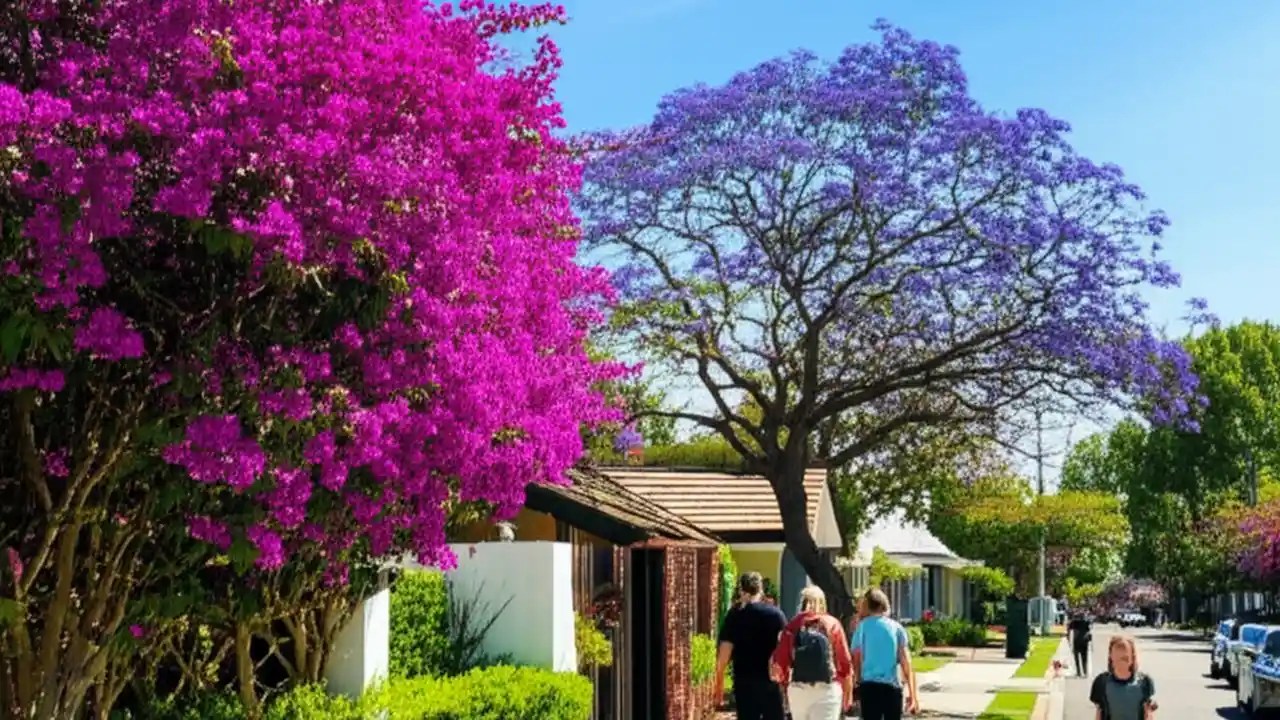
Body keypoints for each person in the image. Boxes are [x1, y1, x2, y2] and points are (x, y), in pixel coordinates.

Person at [770, 586, 854, 719]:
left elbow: (780, 662)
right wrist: (847, 691)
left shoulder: (793, 625)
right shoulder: (832, 623)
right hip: (827, 689)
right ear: (822, 602)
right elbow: (845, 662)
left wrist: (785, 687)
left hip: (799, 690)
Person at [713, 572, 788, 720]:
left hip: (744, 682)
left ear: (741, 590)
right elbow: (784, 648)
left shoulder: (734, 616)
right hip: (770, 681)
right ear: (761, 590)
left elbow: (724, 653)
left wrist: (719, 681)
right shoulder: (776, 615)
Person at [850, 587, 918, 719]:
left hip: (869, 687)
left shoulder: (862, 627)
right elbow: (906, 662)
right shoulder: (897, 628)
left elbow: (857, 658)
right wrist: (913, 695)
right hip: (892, 687)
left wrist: (856, 682)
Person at [1089, 634, 1157, 720]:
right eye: (1118, 659)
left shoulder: (1144, 682)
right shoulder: (1101, 683)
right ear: (1111, 657)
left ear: (1132, 658)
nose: (1121, 664)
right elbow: (1099, 713)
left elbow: (1148, 714)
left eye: (1125, 659)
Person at [1067, 612, 1093, 677]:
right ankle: (1085, 672)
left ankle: (1078, 672)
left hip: (1076, 641)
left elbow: (1069, 629)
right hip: (1084, 641)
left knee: (1076, 658)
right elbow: (1089, 631)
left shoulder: (1074, 622)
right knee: (1084, 658)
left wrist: (1068, 638)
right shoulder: (1086, 622)